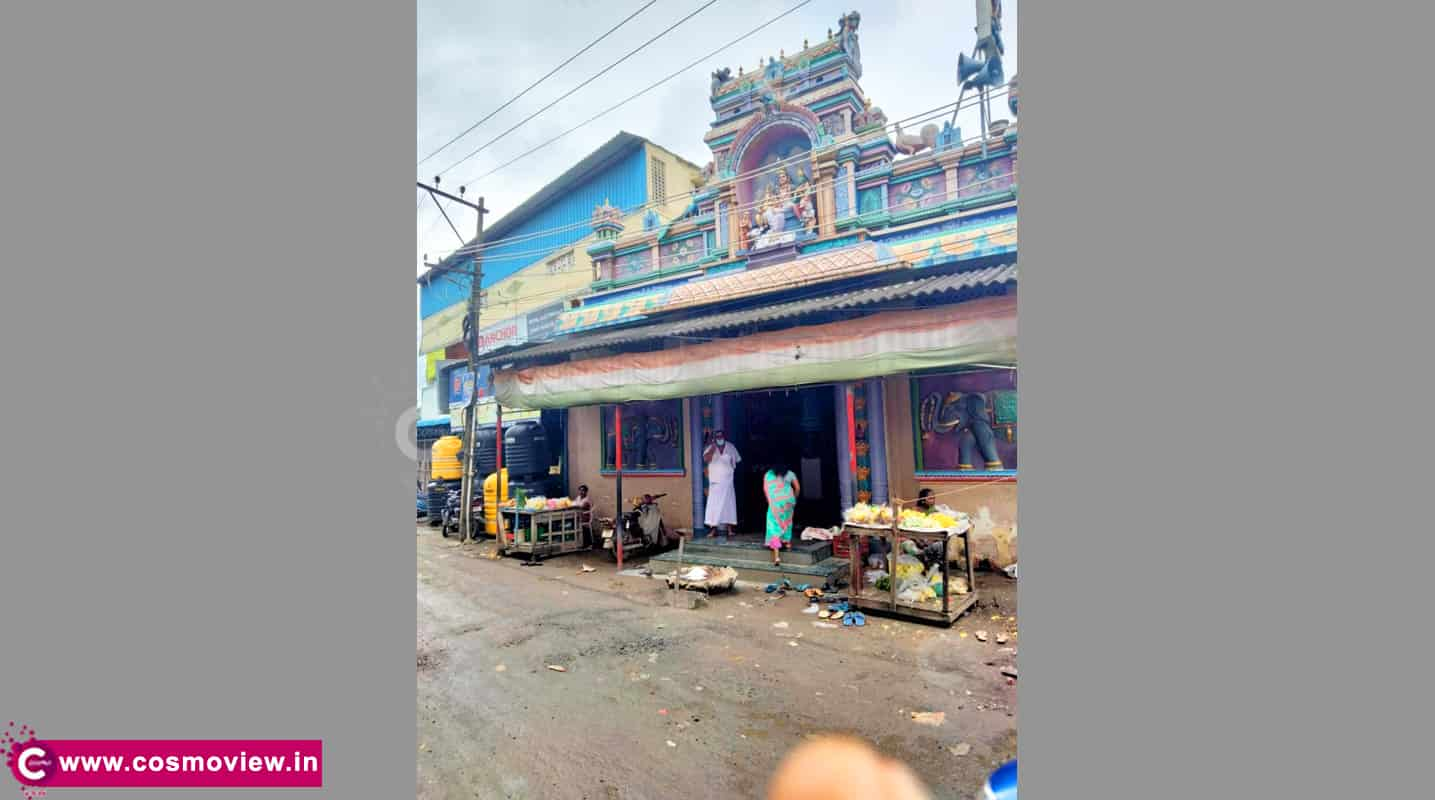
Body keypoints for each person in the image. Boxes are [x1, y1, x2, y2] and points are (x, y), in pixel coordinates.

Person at [702, 429, 741, 540]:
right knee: (714, 506)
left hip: (728, 482)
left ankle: (730, 530)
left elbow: (737, 460)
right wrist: (714, 447)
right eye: (717, 436)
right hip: (715, 483)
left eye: (721, 436)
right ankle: (713, 530)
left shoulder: (731, 447)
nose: (720, 438)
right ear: (715, 438)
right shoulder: (710, 448)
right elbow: (706, 459)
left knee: (729, 505)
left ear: (724, 436)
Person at [763, 467, 800, 566]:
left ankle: (777, 557)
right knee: (787, 522)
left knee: (773, 527)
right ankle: (787, 542)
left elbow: (766, 489)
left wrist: (769, 500)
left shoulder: (769, 474)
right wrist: (793, 499)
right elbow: (797, 488)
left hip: (775, 502)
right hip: (788, 501)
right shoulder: (790, 473)